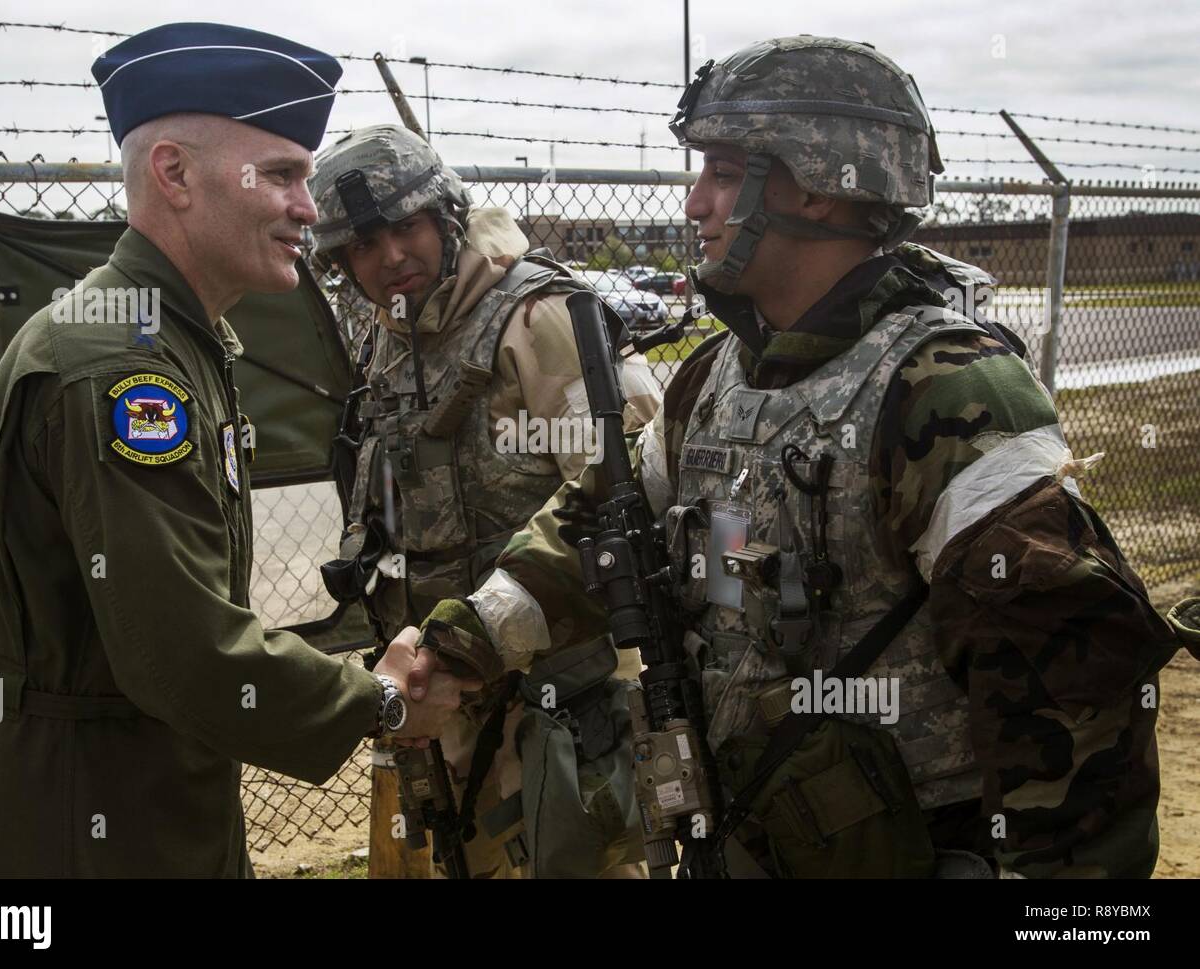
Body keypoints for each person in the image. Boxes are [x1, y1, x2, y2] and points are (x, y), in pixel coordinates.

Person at [408, 36, 1180, 878]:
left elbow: (1072, 690)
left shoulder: (947, 388)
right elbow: (600, 521)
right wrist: (459, 643)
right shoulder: (713, 375)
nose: (696, 201)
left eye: (726, 172)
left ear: (818, 188)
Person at [0, 24, 473, 879]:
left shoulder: (174, 339)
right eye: (283, 174)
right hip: (87, 827)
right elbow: (181, 649)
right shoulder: (121, 366)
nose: (309, 207)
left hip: (137, 801)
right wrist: (375, 698)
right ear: (175, 175)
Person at [311, 125, 662, 877]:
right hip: (445, 697)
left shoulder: (540, 317)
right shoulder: (393, 336)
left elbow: (625, 490)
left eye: (405, 227)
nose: (390, 258)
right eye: (365, 246)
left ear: (444, 217)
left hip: (558, 698)